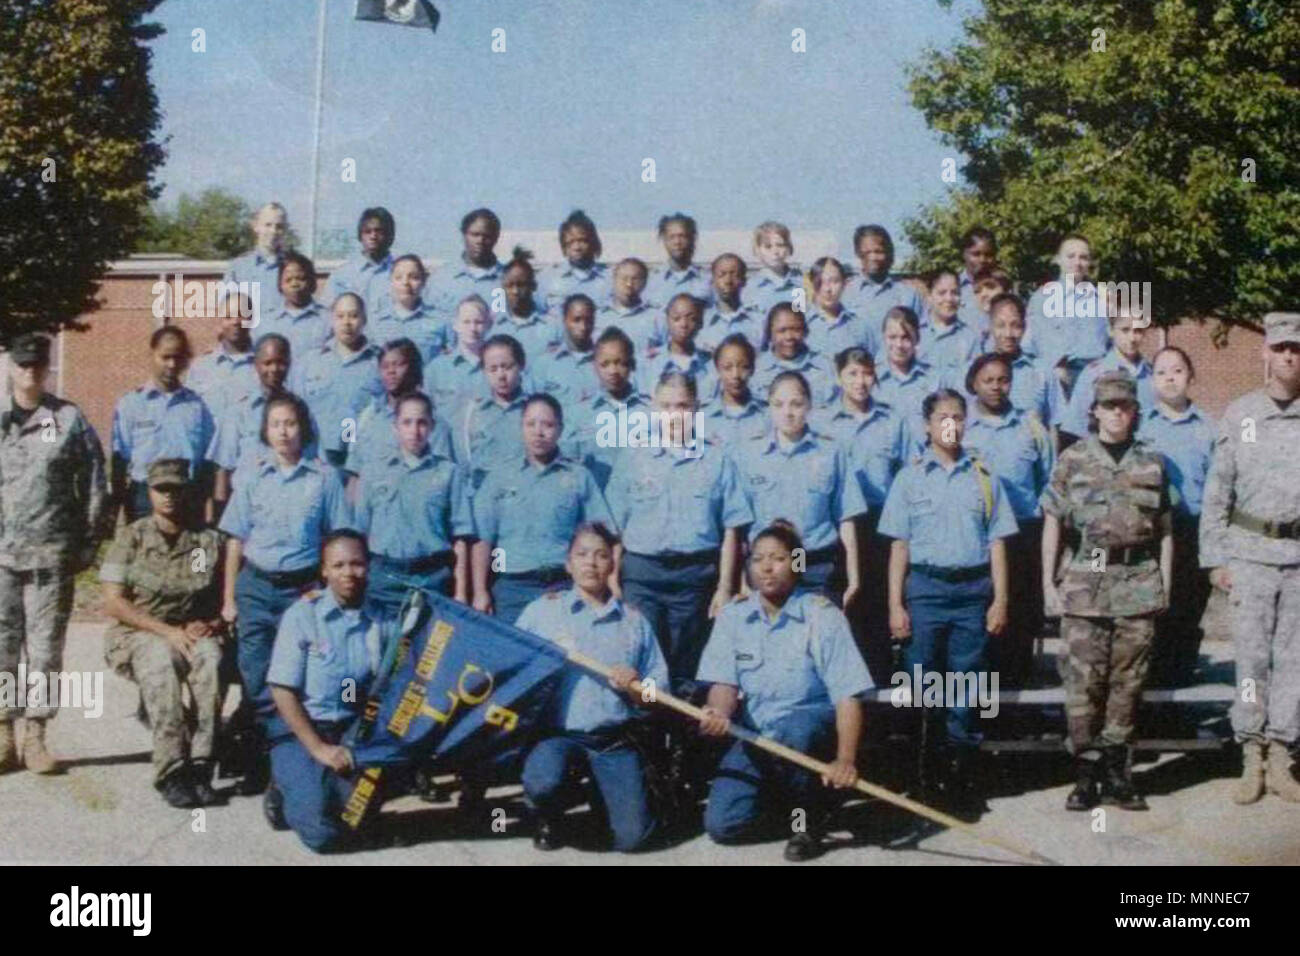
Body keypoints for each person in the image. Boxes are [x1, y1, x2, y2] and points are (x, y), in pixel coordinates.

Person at [696, 522, 871, 862]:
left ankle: (804, 823)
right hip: (756, 733)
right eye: (758, 558)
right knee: (723, 826)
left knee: (796, 727)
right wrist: (719, 712)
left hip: (808, 733)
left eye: (777, 558)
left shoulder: (823, 616)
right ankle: (808, 809)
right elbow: (724, 684)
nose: (766, 566)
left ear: (798, 564)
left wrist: (845, 760)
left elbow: (848, 695)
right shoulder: (732, 616)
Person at [1041, 371, 1173, 812]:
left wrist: (1165, 581)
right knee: (1083, 684)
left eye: (1125, 406)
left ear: (1135, 411)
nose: (1118, 413)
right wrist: (1047, 582)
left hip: (1137, 581)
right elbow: (1053, 523)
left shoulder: (1152, 461)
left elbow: (1167, 531)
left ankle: (1119, 774)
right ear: (1094, 411)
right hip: (1086, 580)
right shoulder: (1073, 459)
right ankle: (1085, 775)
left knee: (1127, 684)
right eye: (1110, 405)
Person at [880, 388, 1016, 815]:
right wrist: (895, 605)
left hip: (972, 593)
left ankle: (960, 778)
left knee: (966, 684)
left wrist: (1001, 600)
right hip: (925, 591)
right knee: (922, 685)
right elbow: (899, 546)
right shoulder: (910, 476)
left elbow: (997, 543)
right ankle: (922, 776)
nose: (950, 425)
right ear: (926, 424)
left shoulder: (985, 476)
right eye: (942, 417)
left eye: (958, 416)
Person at [218, 394, 352, 797]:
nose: (283, 432)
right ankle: (263, 762)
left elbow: (337, 539)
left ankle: (289, 766)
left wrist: (326, 591)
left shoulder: (324, 478)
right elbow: (236, 541)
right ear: (265, 431)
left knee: (298, 678)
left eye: (291, 423)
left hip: (303, 590)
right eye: (275, 424)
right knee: (257, 680)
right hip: (257, 588)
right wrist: (229, 598)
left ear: (303, 429)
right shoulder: (253, 477)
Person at [516, 523, 668, 852]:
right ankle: (547, 813)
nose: (591, 563)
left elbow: (658, 692)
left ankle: (605, 792)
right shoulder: (542, 612)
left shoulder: (633, 620)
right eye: (582, 555)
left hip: (612, 739)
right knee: (544, 781)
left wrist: (636, 687)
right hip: (557, 735)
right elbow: (513, 671)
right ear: (568, 564)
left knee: (634, 839)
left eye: (601, 555)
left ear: (612, 565)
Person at [1200, 312, 1300, 805]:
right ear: (1265, 353)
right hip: (1251, 557)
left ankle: (1284, 753)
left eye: (1296, 349)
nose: (1288, 356)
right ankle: (1251, 755)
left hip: (1299, 559)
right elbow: (1218, 492)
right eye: (1280, 347)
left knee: (1294, 663)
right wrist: (1216, 557)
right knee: (1251, 663)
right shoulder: (1242, 416)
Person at [0, 334, 108, 775]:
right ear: (10, 367)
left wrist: (89, 542)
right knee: (3, 649)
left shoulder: (67, 420)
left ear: (47, 369)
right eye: (23, 365)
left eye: (37, 366)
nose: (30, 373)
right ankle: (4, 731)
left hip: (51, 555)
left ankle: (37, 736)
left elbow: (97, 482)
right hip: (2, 556)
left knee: (44, 651)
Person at [605, 372, 752, 690]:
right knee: (642, 660)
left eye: (683, 406)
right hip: (643, 576)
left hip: (695, 578)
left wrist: (725, 588)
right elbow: (614, 529)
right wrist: (612, 578)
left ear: (697, 409)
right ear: (655, 410)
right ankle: (646, 734)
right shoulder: (633, 457)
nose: (675, 415)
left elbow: (732, 531)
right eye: (667, 406)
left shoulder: (717, 460)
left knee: (688, 666)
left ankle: (684, 735)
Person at [100, 459, 225, 807]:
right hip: (136, 633)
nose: (169, 497)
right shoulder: (133, 537)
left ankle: (201, 764)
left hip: (186, 632)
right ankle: (171, 769)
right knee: (160, 661)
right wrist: (165, 631)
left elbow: (211, 595)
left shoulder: (203, 541)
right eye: (161, 489)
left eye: (176, 489)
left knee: (210, 659)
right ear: (150, 492)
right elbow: (113, 602)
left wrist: (209, 623)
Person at [266, 531, 396, 852]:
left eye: (357, 564)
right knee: (323, 835)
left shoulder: (383, 618)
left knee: (357, 819)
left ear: (369, 566)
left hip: (352, 728)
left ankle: (327, 788)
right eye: (338, 565)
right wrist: (319, 749)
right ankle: (283, 787)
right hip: (304, 730)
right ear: (324, 571)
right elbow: (282, 689)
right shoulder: (303, 615)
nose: (348, 573)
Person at [471, 394, 615, 623]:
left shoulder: (578, 477)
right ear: (521, 427)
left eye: (547, 425)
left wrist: (607, 586)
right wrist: (480, 591)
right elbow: (484, 539)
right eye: (531, 424)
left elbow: (602, 532)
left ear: (560, 429)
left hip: (563, 585)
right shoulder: (499, 477)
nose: (539, 432)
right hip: (511, 586)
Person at [813, 347, 907, 684]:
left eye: (866, 373)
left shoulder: (892, 420)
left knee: (875, 606)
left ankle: (878, 687)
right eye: (852, 373)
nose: (860, 381)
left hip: (880, 524)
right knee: (841, 602)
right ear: (839, 377)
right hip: (838, 524)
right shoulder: (822, 421)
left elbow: (906, 474)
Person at [730, 371, 865, 606]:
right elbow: (741, 528)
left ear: (809, 405)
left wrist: (853, 579)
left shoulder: (830, 452)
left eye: (796, 404)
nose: (788, 413)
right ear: (769, 407)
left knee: (814, 634)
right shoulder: (749, 455)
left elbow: (846, 518)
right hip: (767, 566)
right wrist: (742, 578)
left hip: (813, 564)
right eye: (779, 405)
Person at [963, 354, 1055, 686]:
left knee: (1019, 618)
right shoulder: (962, 428)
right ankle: (983, 709)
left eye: (1003, 380)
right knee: (980, 618)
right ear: (974, 383)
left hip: (1022, 534)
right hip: (977, 536)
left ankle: (1017, 702)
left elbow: (1049, 481)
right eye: (988, 380)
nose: (996, 387)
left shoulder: (1031, 427)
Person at [355, 393, 473, 613]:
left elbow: (460, 537)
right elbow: (360, 531)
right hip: (385, 577)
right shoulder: (373, 471)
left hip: (432, 577)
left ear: (432, 427)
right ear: (395, 426)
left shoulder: (448, 472)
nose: (414, 430)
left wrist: (461, 592)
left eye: (422, 423)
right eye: (407, 422)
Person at [1140, 346, 1215, 688]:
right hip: (1149, 533)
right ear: (1152, 380)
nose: (1170, 378)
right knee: (1151, 615)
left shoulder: (1209, 428)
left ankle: (1179, 698)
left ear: (1191, 377)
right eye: (1161, 372)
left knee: (1186, 612)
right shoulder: (1141, 427)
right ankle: (1148, 705)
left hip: (1193, 529)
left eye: (1178, 371)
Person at [111, 326, 214, 522]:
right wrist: (117, 506)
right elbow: (120, 461)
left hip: (187, 496)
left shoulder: (197, 407)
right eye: (165, 357)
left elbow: (207, 462)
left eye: (178, 358)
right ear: (152, 355)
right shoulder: (131, 404)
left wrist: (204, 501)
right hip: (144, 499)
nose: (172, 364)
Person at [289, 292, 384, 468]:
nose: (347, 323)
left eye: (354, 316)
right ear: (332, 320)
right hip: (315, 456)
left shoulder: (379, 362)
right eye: (340, 316)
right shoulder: (310, 362)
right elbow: (295, 408)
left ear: (364, 319)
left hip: (360, 459)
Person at [343, 337, 453, 487]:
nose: (391, 371)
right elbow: (355, 474)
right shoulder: (367, 417)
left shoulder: (432, 421)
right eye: (385, 366)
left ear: (414, 368)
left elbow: (444, 479)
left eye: (399, 365)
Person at [1023, 235, 1110, 399]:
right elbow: (1030, 347)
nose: (1077, 262)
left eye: (1083, 257)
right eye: (1071, 256)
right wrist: (1052, 370)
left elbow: (1108, 342)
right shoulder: (1042, 298)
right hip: (1056, 380)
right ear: (1058, 260)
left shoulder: (1100, 300)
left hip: (1095, 381)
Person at [563, 327, 649, 489]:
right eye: (605, 364)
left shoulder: (650, 411)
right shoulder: (577, 414)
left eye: (620, 363)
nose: (613, 371)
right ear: (594, 366)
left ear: (631, 364)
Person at [1060, 306, 1154, 442]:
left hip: (1146, 456)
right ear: (1111, 331)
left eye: (1138, 331)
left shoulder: (1152, 375)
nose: (1132, 338)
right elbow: (1075, 428)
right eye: (1125, 330)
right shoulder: (1094, 374)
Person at [450, 334, 528, 490]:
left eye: (507, 367)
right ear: (484, 371)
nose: (501, 376)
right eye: (493, 369)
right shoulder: (470, 414)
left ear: (521, 366)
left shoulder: (534, 409)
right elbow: (464, 466)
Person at [985, 292, 1064, 431]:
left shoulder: (1042, 372)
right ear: (990, 326)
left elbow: (1054, 426)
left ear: (1024, 327)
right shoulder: (976, 370)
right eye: (1001, 325)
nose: (1008, 334)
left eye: (1015, 325)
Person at [873, 306, 947, 449]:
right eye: (892, 337)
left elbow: (948, 423)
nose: (899, 345)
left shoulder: (934, 378)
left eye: (906, 337)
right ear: (883, 337)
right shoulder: (872, 379)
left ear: (917, 339)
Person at [186, 291, 259, 424]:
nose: (236, 322)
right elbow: (190, 416)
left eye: (242, 315)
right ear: (220, 321)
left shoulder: (265, 366)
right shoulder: (201, 368)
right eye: (228, 316)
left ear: (252, 319)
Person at [844, 224, 925, 338]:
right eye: (867, 252)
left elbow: (921, 336)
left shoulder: (908, 295)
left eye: (878, 251)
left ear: (888, 253)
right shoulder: (846, 294)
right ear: (858, 253)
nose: (873, 257)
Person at [751, 303, 838, 408]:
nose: (789, 337)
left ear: (805, 331)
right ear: (770, 333)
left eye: (796, 330)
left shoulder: (824, 367)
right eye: (782, 331)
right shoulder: (757, 369)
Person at [370, 254, 448, 366]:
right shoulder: (376, 320)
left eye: (414, 277)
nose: (405, 283)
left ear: (424, 281)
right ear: (391, 281)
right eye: (399, 277)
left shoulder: (440, 320)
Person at [424, 208, 505, 314]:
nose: (480, 241)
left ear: (496, 237)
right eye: (475, 234)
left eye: (487, 236)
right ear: (463, 235)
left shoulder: (509, 281)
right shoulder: (441, 279)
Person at [637, 293, 716, 401]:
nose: (683, 324)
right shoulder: (647, 361)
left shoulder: (710, 363)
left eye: (691, 318)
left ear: (700, 322)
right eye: (676, 318)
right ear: (667, 321)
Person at [425, 295, 495, 414]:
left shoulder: (498, 367)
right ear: (455, 325)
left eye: (478, 322)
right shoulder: (436, 369)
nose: (472, 328)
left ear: (489, 325)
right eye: (466, 322)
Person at [699, 333, 767, 451]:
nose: (735, 375)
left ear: (752, 369)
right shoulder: (703, 416)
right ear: (717, 369)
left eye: (743, 367)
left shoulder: (766, 414)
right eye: (727, 367)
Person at [223, 201, 288, 324]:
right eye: (268, 225)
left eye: (279, 226)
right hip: (251, 338)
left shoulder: (293, 266)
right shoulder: (238, 268)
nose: (273, 231)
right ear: (256, 226)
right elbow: (227, 311)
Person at [325, 207, 396, 316]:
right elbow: (328, 313)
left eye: (379, 231)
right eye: (367, 231)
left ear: (390, 236)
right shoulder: (341, 275)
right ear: (360, 236)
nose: (373, 236)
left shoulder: (401, 274)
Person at [804, 257, 878, 359]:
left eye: (834, 281)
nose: (827, 289)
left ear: (845, 284)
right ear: (812, 284)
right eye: (820, 282)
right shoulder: (802, 325)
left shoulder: (859, 325)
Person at [533, 294, 599, 408]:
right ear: (564, 320)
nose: (583, 327)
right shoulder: (544, 364)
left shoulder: (605, 363)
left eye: (588, 320)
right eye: (576, 320)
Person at [261, 252, 329, 359]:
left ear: (312, 283)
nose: (294, 284)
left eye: (301, 279)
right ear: (280, 285)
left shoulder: (328, 320)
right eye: (288, 280)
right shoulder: (266, 322)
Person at [539, 210, 611, 312]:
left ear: (594, 243)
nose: (577, 247)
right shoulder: (547, 279)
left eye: (582, 241)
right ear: (563, 247)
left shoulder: (611, 278)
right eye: (570, 242)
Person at [497, 249, 561, 361]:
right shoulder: (494, 327)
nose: (515, 291)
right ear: (503, 287)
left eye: (521, 285)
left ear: (533, 286)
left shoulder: (552, 326)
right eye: (510, 285)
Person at [918, 269, 981, 374]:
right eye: (942, 293)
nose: (949, 299)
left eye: (955, 293)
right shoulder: (916, 333)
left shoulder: (970, 337)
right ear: (929, 296)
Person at [644, 213, 712, 310]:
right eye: (671, 237)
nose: (677, 242)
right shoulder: (651, 281)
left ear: (693, 238)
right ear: (664, 240)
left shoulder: (707, 280)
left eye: (682, 236)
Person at [596, 258, 661, 356]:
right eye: (624, 278)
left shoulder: (657, 318)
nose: (629, 284)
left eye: (635, 279)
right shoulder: (597, 316)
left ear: (644, 282)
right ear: (614, 279)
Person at [698, 253, 761, 354]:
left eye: (735, 275)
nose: (728, 281)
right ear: (712, 280)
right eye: (721, 275)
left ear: (744, 281)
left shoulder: (758, 321)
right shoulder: (700, 321)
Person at [742, 221, 802, 317]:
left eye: (780, 245)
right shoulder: (750, 288)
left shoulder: (801, 283)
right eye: (768, 246)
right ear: (757, 250)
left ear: (789, 248)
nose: (775, 251)